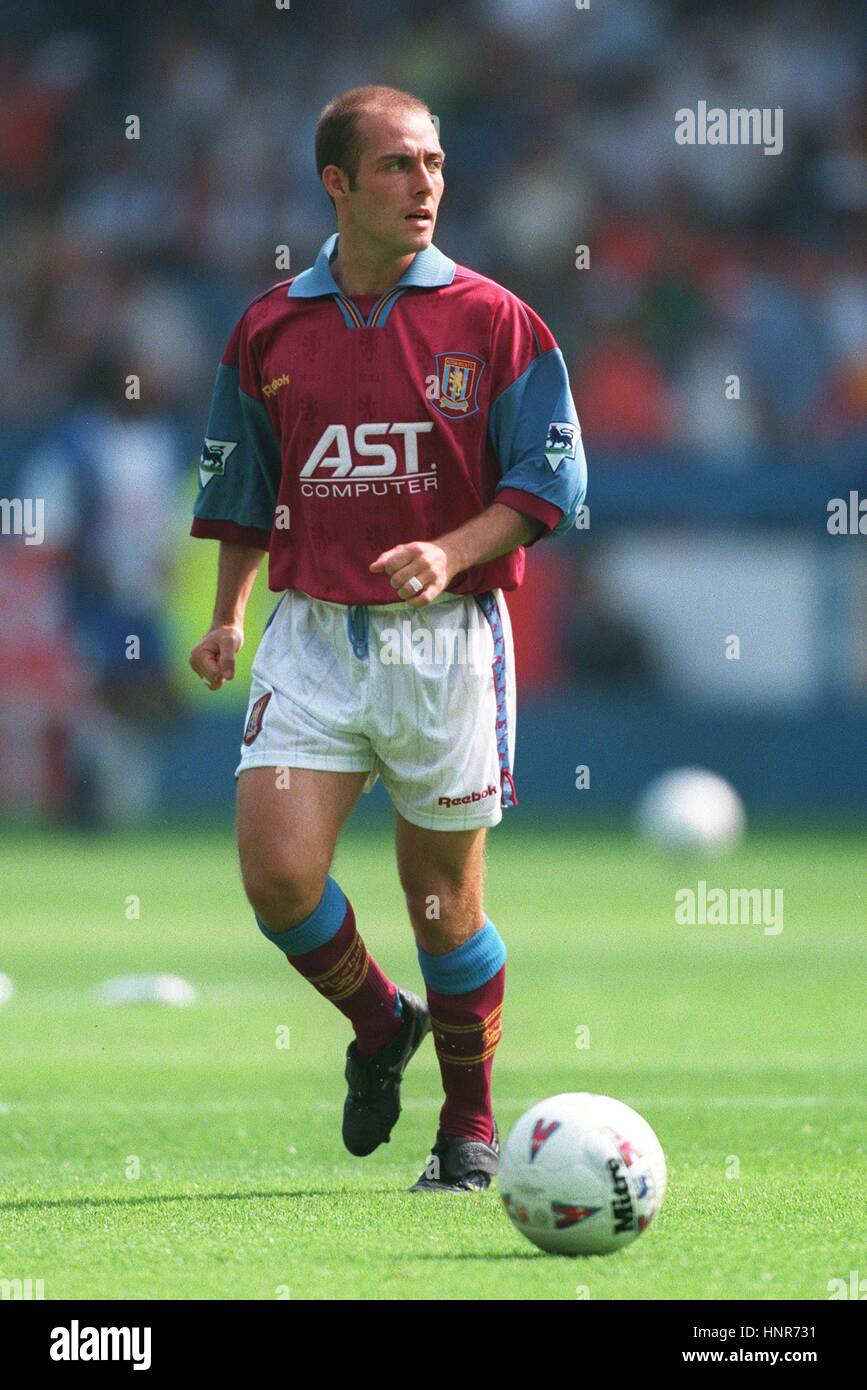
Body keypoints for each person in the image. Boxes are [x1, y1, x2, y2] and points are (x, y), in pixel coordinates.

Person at [188, 85, 587, 1193]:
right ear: (338, 185)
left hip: (446, 642)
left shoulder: (495, 319)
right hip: (311, 634)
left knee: (442, 905)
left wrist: (452, 551)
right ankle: (379, 1024)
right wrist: (225, 614)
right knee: (276, 875)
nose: (426, 187)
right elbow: (240, 480)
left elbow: (549, 480)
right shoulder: (271, 324)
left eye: (435, 165)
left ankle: (468, 1128)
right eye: (399, 167)